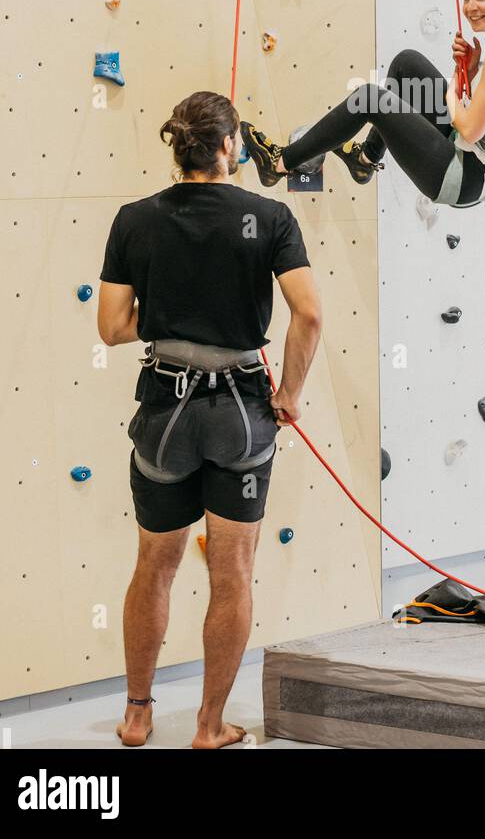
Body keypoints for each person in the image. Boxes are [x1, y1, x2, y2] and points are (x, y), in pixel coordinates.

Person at [97, 91, 321, 749]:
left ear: (178, 147)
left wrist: (169, 316)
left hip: (166, 413)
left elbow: (112, 327)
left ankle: (137, 715)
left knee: (154, 567)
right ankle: (209, 724)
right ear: (230, 148)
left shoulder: (135, 219)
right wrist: (291, 396)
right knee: (231, 573)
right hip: (242, 415)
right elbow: (308, 314)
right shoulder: (270, 216)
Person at [242, 0, 485, 239]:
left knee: (371, 99)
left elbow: (471, 128)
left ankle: (279, 164)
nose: (470, 6)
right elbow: (477, 119)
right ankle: (366, 159)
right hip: (474, 160)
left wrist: (452, 89)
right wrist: (467, 71)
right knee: (406, 64)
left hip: (465, 177)